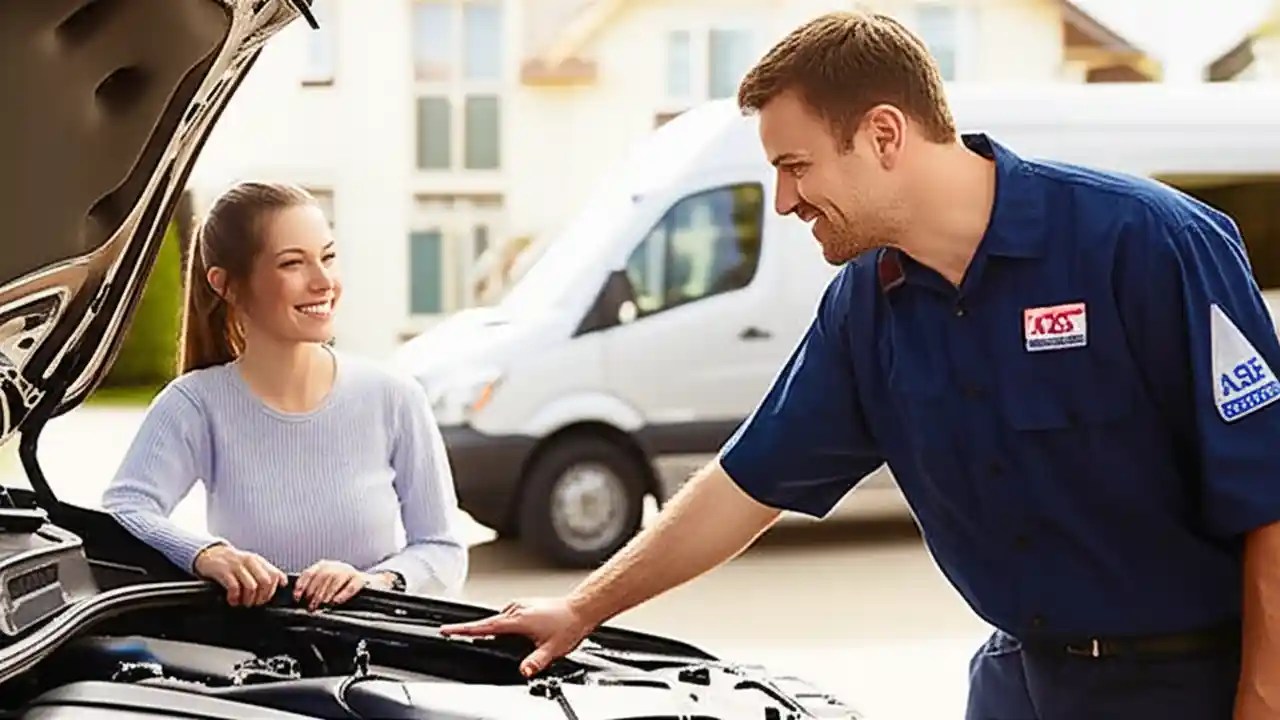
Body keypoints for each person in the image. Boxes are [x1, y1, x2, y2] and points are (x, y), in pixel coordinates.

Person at [440, 11, 1280, 719]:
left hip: (1186, 686)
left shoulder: (1149, 245)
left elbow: (1270, 495)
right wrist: (583, 609)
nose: (785, 201)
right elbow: (745, 485)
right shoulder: (866, 304)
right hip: (1016, 684)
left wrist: (1264, 697)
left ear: (883, 133)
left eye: (795, 166)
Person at [102, 181, 468, 611]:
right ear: (227, 285)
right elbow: (123, 510)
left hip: (373, 656)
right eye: (293, 263)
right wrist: (206, 554)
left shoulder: (395, 397)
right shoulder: (196, 404)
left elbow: (443, 550)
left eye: (328, 257)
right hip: (256, 662)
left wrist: (375, 582)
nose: (323, 281)